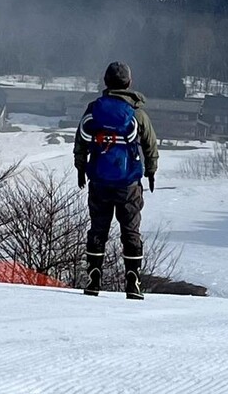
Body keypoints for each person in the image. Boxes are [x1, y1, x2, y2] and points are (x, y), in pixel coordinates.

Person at [73, 60, 159, 299]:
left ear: (105, 82)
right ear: (129, 83)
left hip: (99, 181)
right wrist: (151, 172)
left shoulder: (94, 109)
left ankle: (93, 282)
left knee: (98, 230)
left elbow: (80, 141)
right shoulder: (137, 113)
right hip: (128, 183)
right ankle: (133, 284)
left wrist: (81, 168)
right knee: (131, 231)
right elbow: (150, 145)